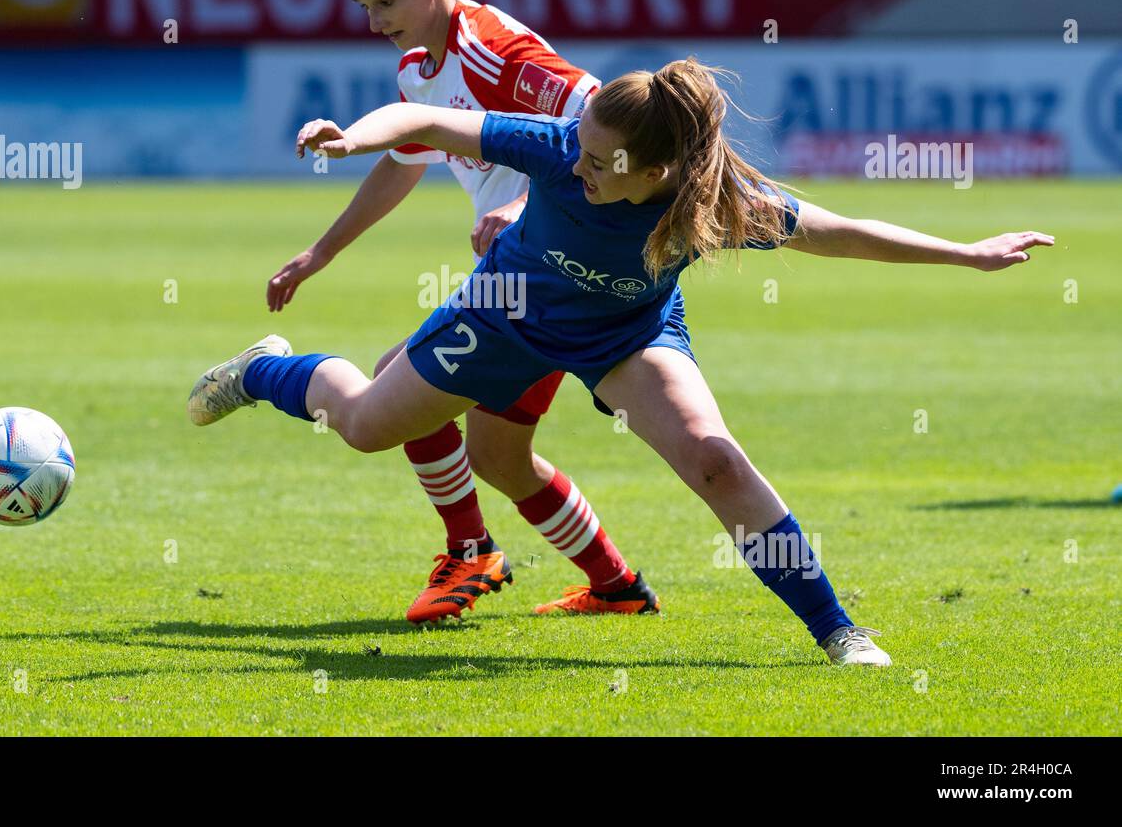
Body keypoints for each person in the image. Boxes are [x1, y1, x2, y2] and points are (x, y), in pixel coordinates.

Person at [192, 57, 1054, 665]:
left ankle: (839, 630)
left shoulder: (713, 199)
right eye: (580, 146)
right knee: (364, 425)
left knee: (715, 458)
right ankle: (269, 368)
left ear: (662, 170)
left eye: (602, 161)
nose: (579, 165)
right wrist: (351, 139)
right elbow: (423, 120)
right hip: (504, 315)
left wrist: (966, 253)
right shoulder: (561, 146)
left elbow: (838, 232)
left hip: (626, 338)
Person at [266, 0, 658, 623]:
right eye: (364, 7)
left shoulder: (499, 52)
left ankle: (469, 553)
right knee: (501, 457)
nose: (376, 21)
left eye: (386, 2)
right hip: (531, 276)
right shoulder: (419, 64)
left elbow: (607, 125)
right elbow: (404, 161)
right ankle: (615, 587)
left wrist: (518, 200)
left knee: (395, 386)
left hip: (549, 267)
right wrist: (322, 252)